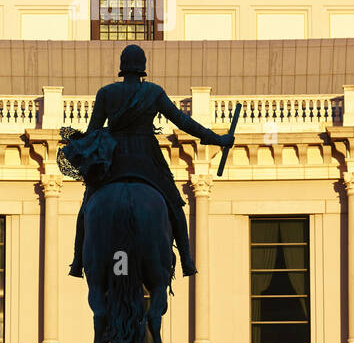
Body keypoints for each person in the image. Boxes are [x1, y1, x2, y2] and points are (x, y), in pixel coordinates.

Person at [64, 44, 232, 279]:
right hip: (146, 159)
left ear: (122, 67)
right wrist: (217, 139)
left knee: (86, 208)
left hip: (114, 160)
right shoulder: (153, 92)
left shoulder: (106, 93)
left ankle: (78, 261)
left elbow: (93, 131)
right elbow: (184, 122)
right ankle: (186, 259)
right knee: (174, 206)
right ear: (143, 67)